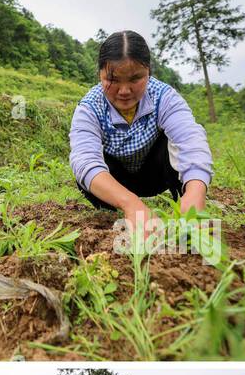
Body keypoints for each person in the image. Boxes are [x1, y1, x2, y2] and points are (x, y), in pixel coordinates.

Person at [69, 30, 213, 232]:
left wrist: (196, 192)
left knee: (177, 140)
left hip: (156, 176)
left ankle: (183, 200)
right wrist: (130, 203)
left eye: (136, 78)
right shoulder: (90, 107)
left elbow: (191, 140)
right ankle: (116, 208)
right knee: (85, 169)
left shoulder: (164, 97)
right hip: (116, 180)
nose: (124, 90)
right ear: (100, 75)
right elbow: (84, 160)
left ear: (149, 73)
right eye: (113, 79)